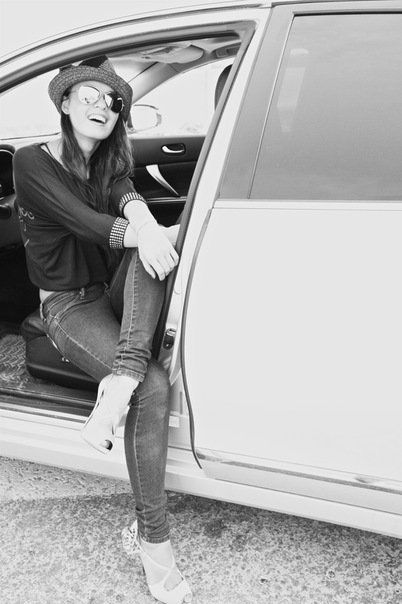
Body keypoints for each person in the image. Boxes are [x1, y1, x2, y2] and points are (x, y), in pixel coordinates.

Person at [13, 56, 192, 604]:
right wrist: (152, 232)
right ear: (65, 103)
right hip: (67, 306)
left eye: (111, 100)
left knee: (149, 246)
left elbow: (126, 196)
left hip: (108, 293)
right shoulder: (31, 161)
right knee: (153, 385)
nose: (101, 105)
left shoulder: (110, 163)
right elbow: (86, 222)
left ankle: (118, 385)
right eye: (87, 94)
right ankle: (154, 540)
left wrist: (146, 222)